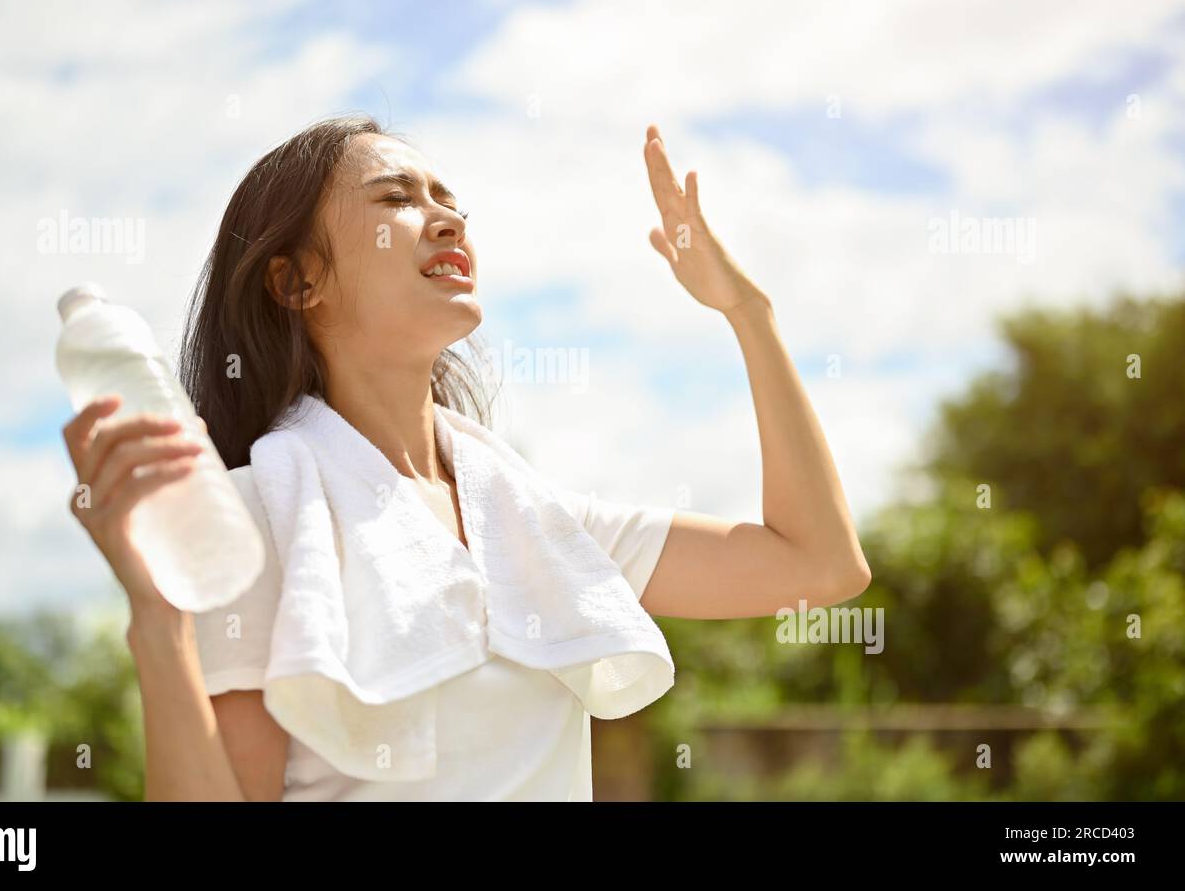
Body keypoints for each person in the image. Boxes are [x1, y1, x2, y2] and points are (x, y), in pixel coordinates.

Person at [60, 112, 872, 800]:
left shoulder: (538, 528)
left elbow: (819, 565)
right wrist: (160, 621)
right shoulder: (258, 519)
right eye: (396, 200)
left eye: (450, 202)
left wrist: (748, 312)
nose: (447, 219)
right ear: (298, 280)